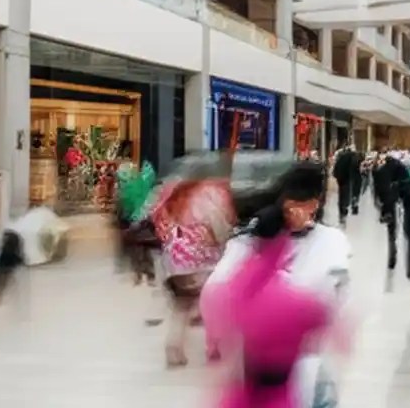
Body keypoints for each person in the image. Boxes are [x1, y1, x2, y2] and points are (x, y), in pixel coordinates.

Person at [204, 161, 351, 408]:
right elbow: (333, 305)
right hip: (290, 374)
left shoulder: (251, 243)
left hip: (259, 374)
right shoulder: (325, 242)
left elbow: (216, 294)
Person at [152, 176, 234, 368]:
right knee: (212, 304)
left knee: (181, 306)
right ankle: (214, 346)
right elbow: (219, 229)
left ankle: (173, 349)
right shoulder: (206, 199)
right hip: (200, 263)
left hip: (173, 262)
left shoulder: (172, 202)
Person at [374, 152, 410, 274]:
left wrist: (382, 208)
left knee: (391, 231)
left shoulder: (381, 171)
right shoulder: (403, 168)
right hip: (405, 198)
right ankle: (408, 255)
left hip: (389, 203)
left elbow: (378, 193)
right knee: (408, 232)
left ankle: (392, 255)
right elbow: (409, 187)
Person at [331, 145, 360, 227]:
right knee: (348, 196)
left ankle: (342, 216)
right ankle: (347, 212)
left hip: (342, 180)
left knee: (342, 198)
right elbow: (356, 170)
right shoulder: (354, 157)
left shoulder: (341, 157)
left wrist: (338, 178)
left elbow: (335, 170)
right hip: (350, 180)